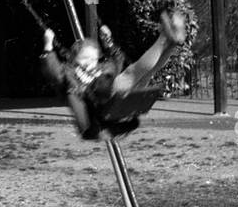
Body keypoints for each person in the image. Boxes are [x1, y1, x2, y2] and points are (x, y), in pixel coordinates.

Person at [41, 9, 188, 140]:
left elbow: (117, 59)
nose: (90, 62)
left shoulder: (99, 69)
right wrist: (48, 47)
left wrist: (108, 42)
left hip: (115, 101)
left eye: (93, 59)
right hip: (102, 106)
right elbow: (54, 71)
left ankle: (171, 44)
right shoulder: (70, 73)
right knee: (131, 73)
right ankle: (164, 38)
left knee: (147, 72)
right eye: (85, 58)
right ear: (74, 59)